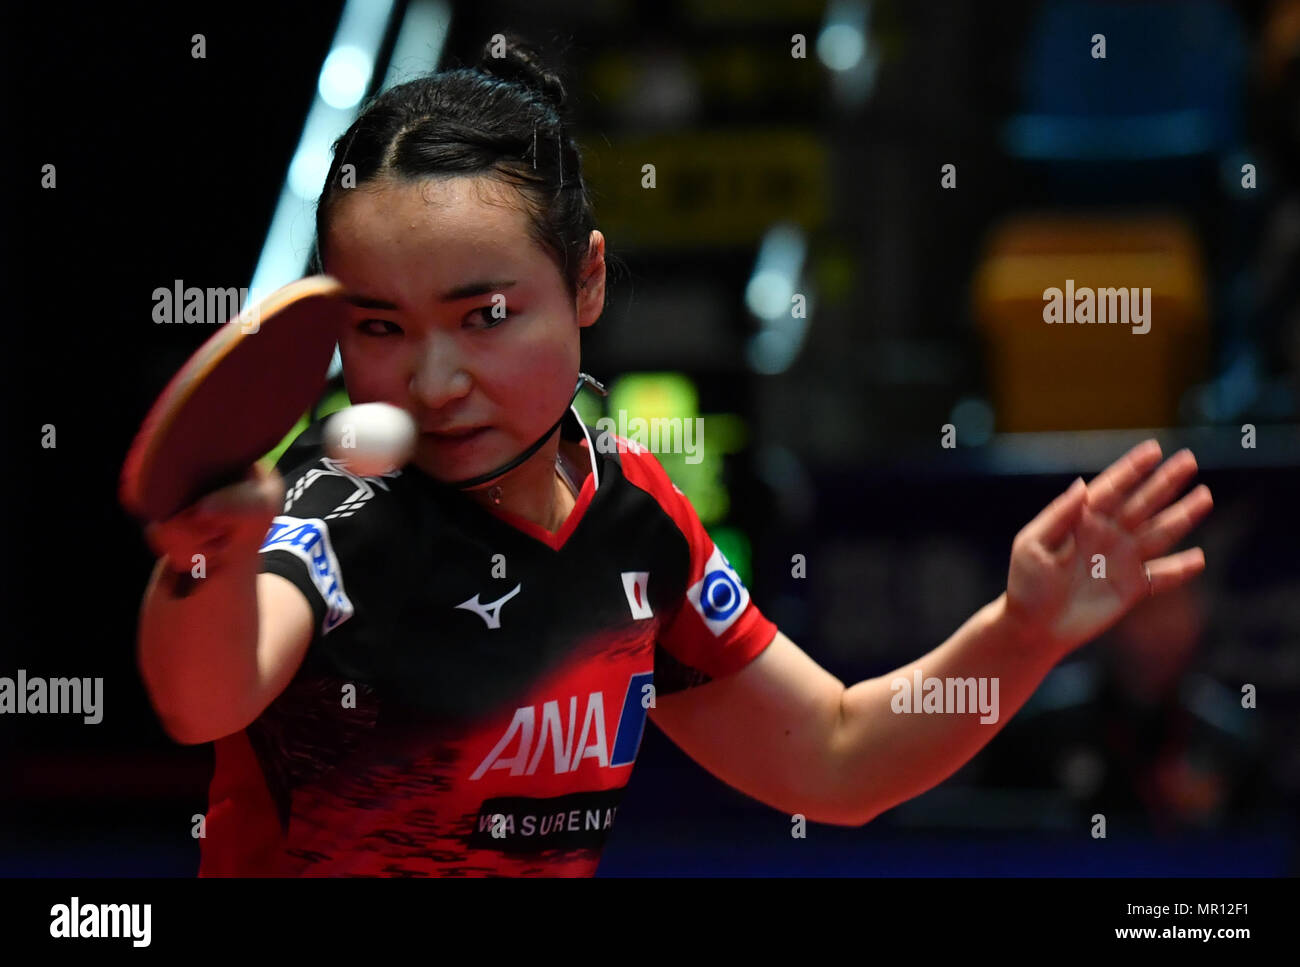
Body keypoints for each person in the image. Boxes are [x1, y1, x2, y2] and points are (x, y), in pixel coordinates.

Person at [135, 38, 1214, 876]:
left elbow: (833, 759)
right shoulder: (335, 513)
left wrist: (1020, 633)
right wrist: (202, 561)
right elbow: (205, 697)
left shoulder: (634, 519)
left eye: (486, 314)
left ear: (587, 282)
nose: (433, 379)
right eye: (379, 327)